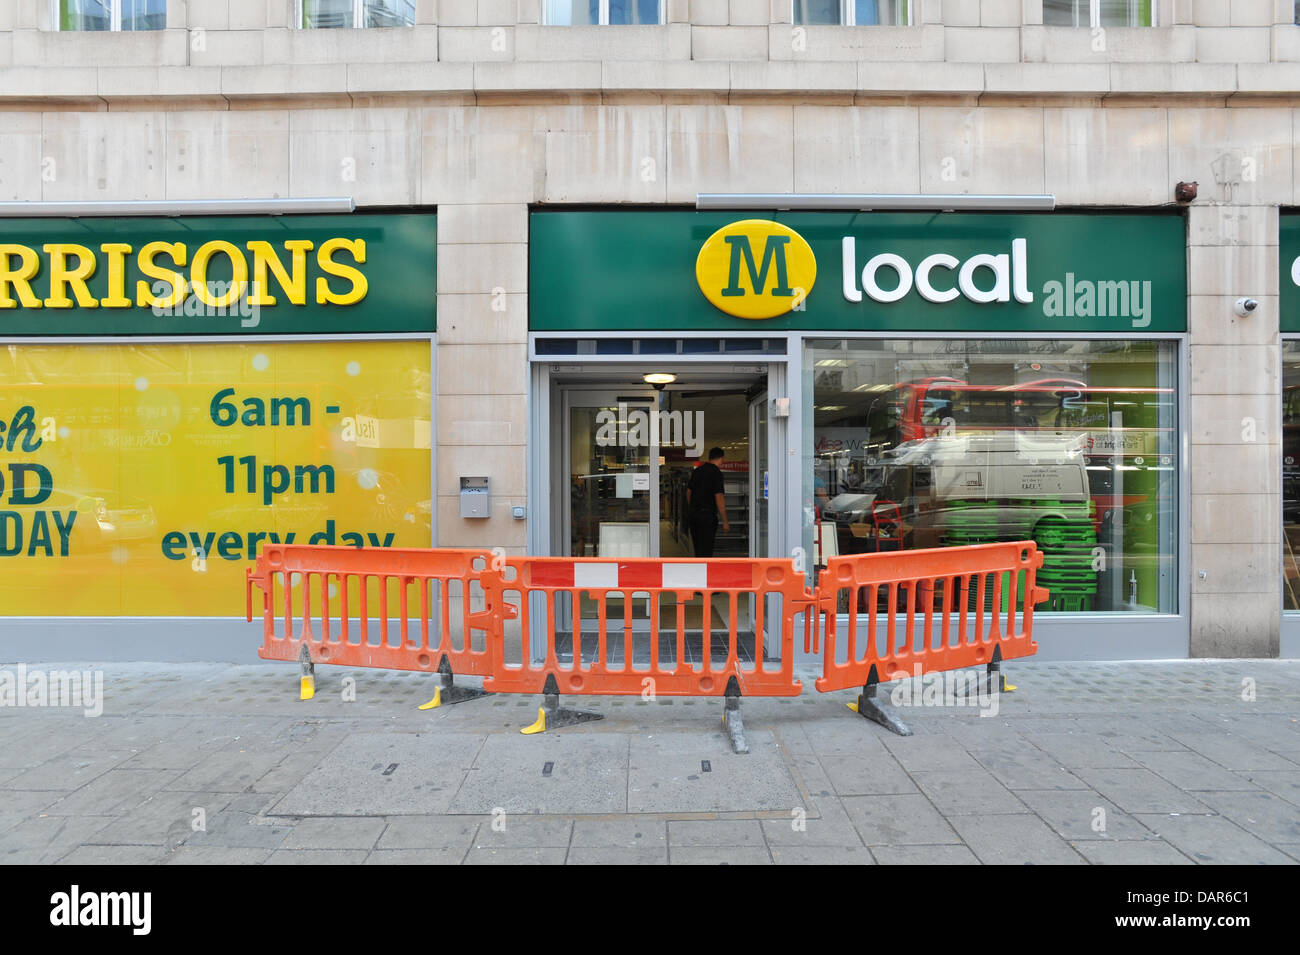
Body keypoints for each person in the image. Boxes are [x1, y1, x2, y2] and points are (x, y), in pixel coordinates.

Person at [686, 446, 729, 557]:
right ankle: (705, 571)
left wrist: (692, 508)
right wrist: (725, 521)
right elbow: (719, 497)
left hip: (694, 516)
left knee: (698, 548)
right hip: (707, 517)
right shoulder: (717, 473)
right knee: (707, 549)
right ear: (721, 458)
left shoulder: (697, 471)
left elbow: (688, 492)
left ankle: (699, 570)